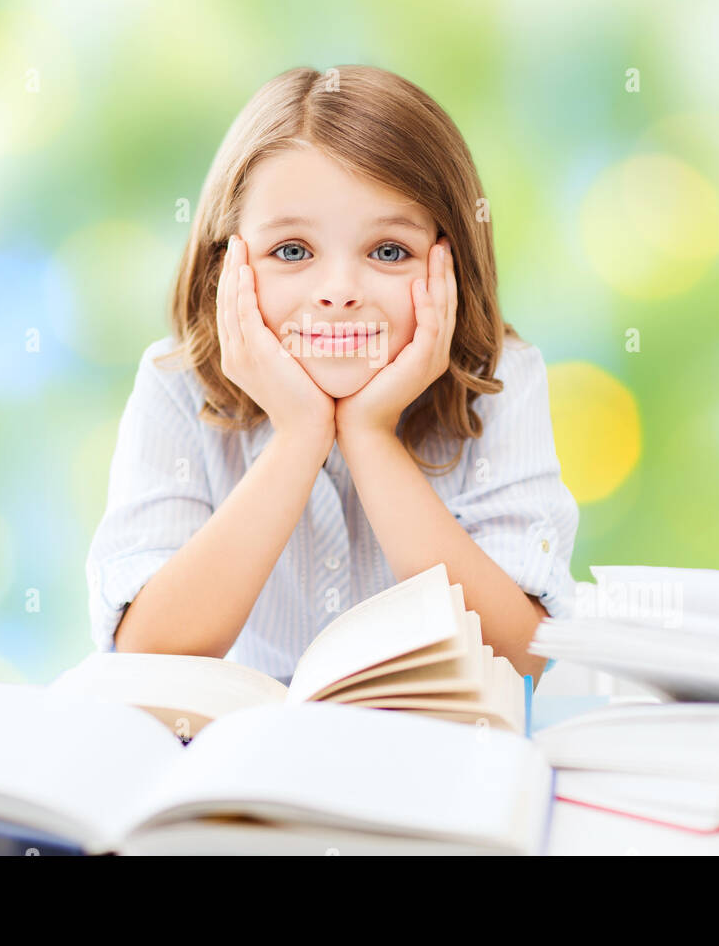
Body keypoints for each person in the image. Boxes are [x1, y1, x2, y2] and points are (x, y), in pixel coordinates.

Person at [86, 65, 579, 687]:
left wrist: (370, 436)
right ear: (226, 266)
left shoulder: (501, 380)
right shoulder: (177, 384)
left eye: (388, 252)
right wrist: (299, 435)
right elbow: (147, 653)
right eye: (292, 251)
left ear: (451, 262)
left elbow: (518, 654)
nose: (339, 292)